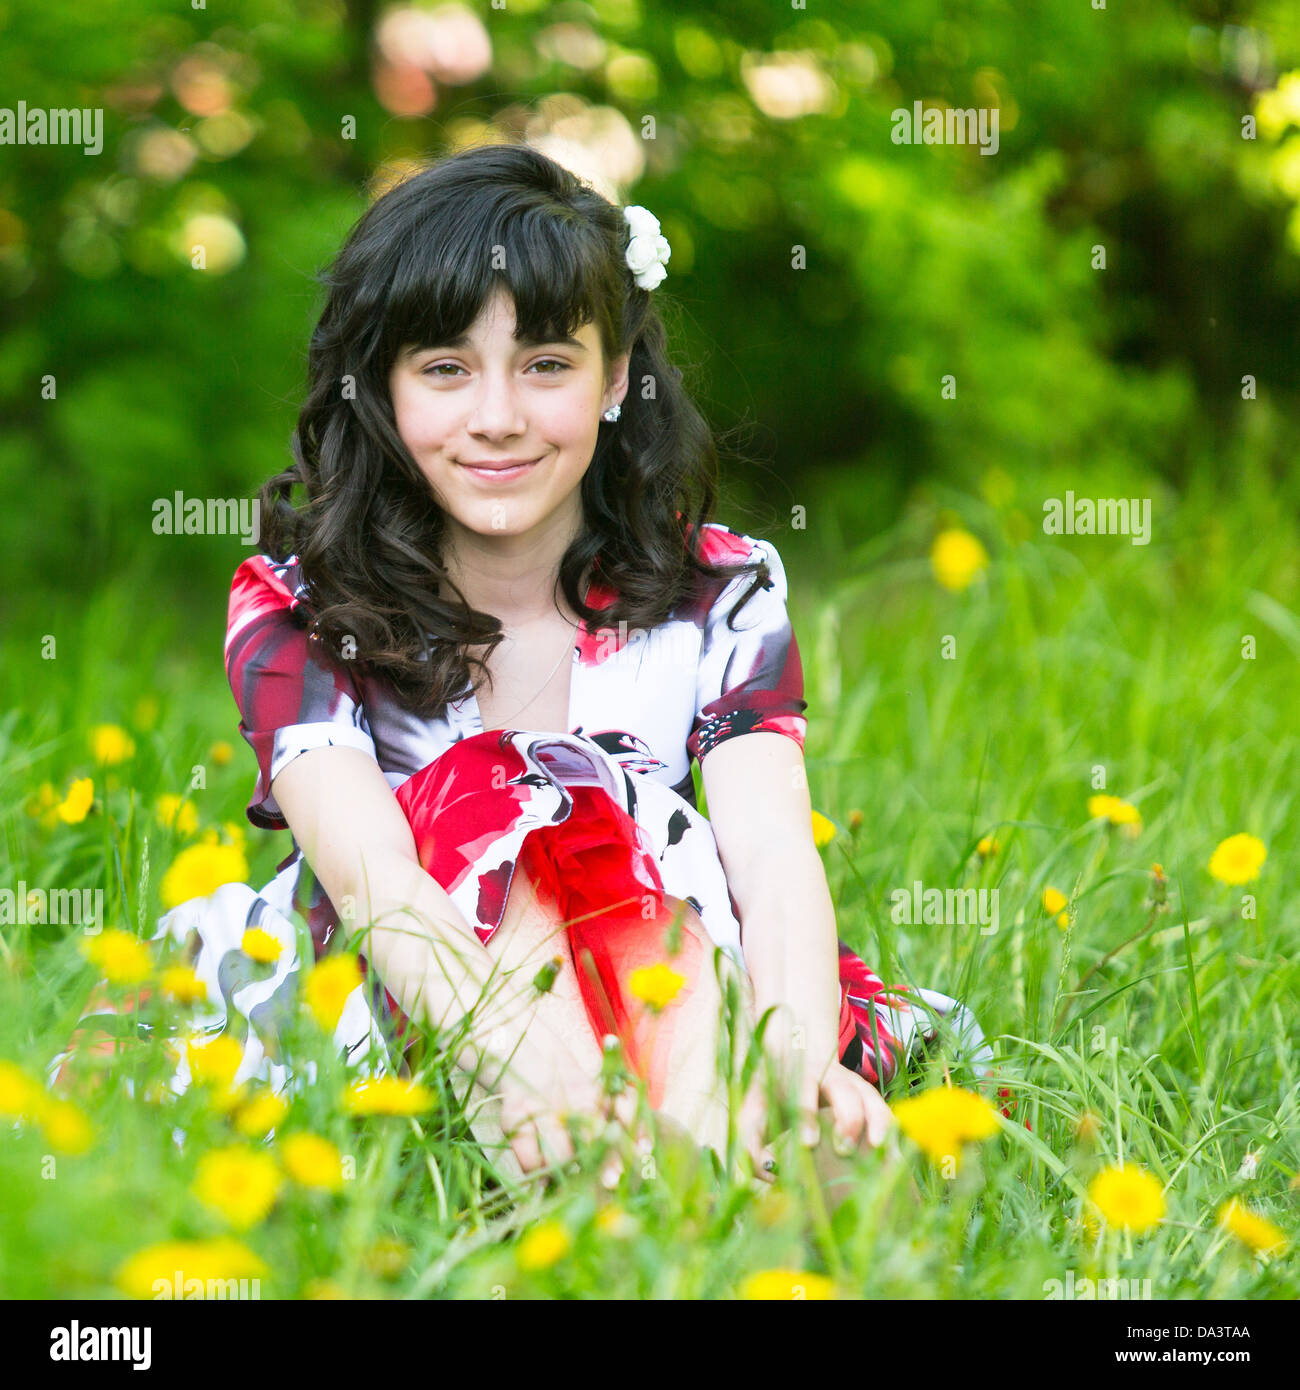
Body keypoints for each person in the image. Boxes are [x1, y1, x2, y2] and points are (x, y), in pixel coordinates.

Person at [52, 143, 991, 1184]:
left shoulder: (715, 590)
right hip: (406, 989)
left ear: (615, 377)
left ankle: (699, 1157)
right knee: (512, 781)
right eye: (446, 369)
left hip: (660, 973)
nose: (496, 417)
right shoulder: (298, 605)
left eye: (546, 364)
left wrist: (796, 1061)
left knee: (600, 813)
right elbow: (377, 885)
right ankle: (651, 1173)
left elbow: (771, 861)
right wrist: (538, 1071)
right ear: (384, 388)